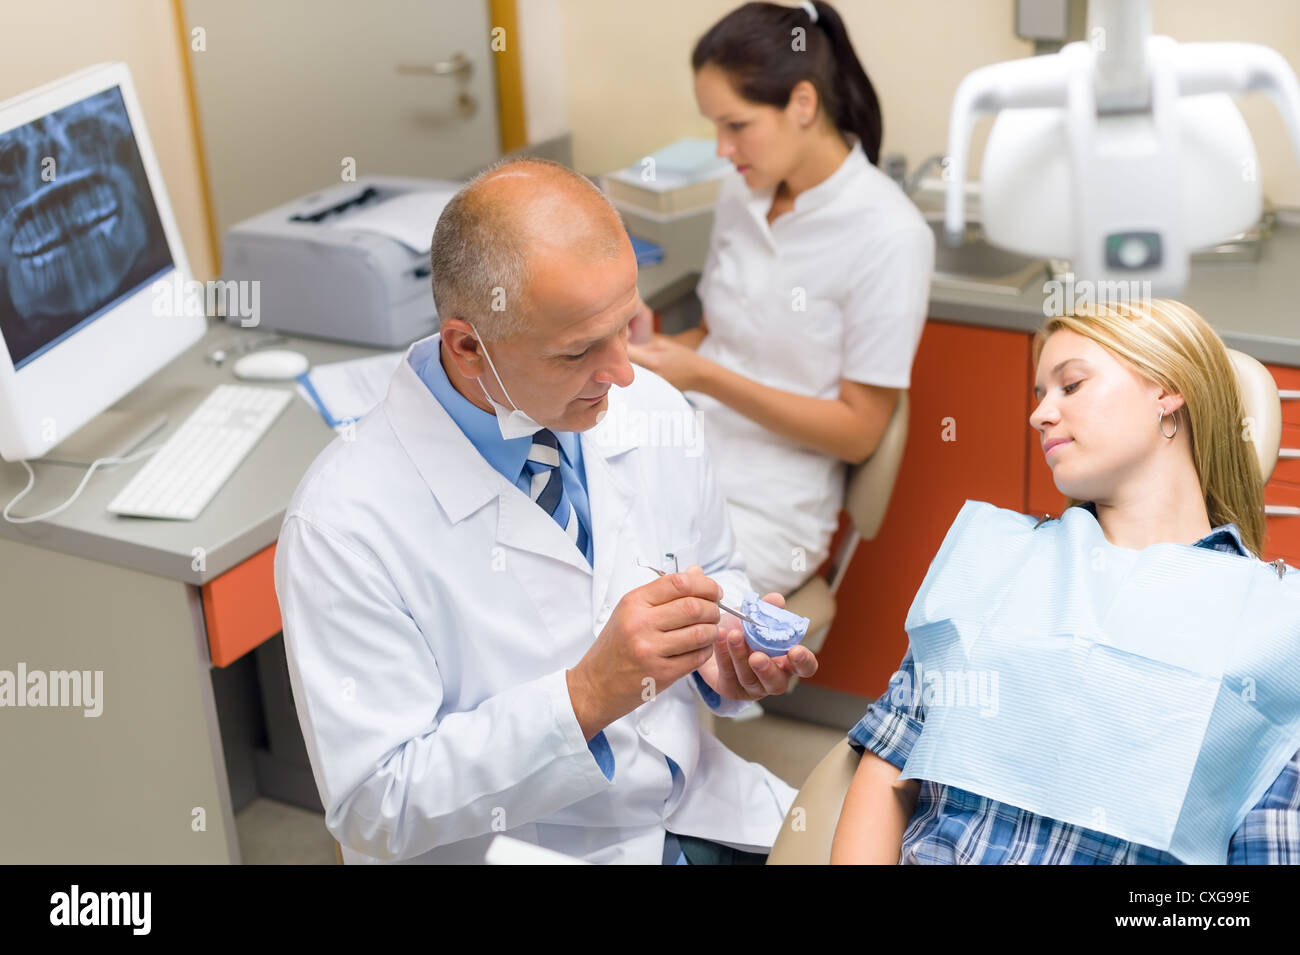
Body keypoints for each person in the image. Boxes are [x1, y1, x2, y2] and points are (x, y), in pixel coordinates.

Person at [273, 156, 819, 865]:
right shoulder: (342, 526)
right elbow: (376, 805)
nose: (623, 371)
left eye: (625, 325)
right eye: (577, 352)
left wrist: (726, 649)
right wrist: (586, 695)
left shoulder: (646, 408)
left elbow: (715, 565)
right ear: (469, 347)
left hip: (697, 804)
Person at [830, 298, 1300, 864]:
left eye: (1070, 386)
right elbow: (888, 769)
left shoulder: (1274, 626)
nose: (1040, 415)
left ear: (1168, 391)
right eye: (1038, 395)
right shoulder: (998, 563)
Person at [628, 0, 933, 595]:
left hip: (771, 509)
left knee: (643, 611)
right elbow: (719, 337)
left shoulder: (889, 235)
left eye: (736, 126)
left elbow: (859, 432)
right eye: (714, 126)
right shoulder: (741, 191)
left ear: (802, 104)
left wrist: (702, 375)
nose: (721, 148)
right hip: (682, 453)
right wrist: (653, 350)